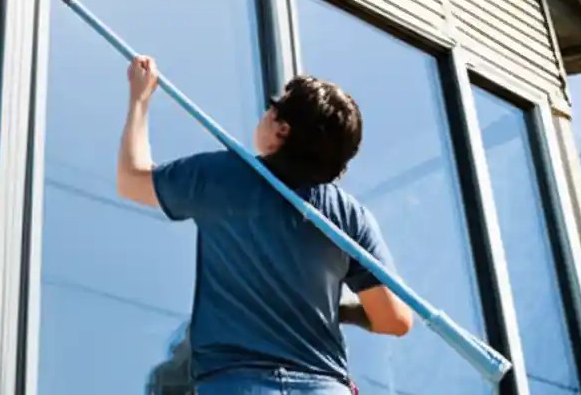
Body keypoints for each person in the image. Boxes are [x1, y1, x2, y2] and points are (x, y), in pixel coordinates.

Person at [117, 56, 414, 395]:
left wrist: (139, 99)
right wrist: (336, 309)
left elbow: (130, 180)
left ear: (281, 129)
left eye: (274, 107)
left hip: (236, 385)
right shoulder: (348, 216)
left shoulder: (223, 177)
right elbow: (395, 319)